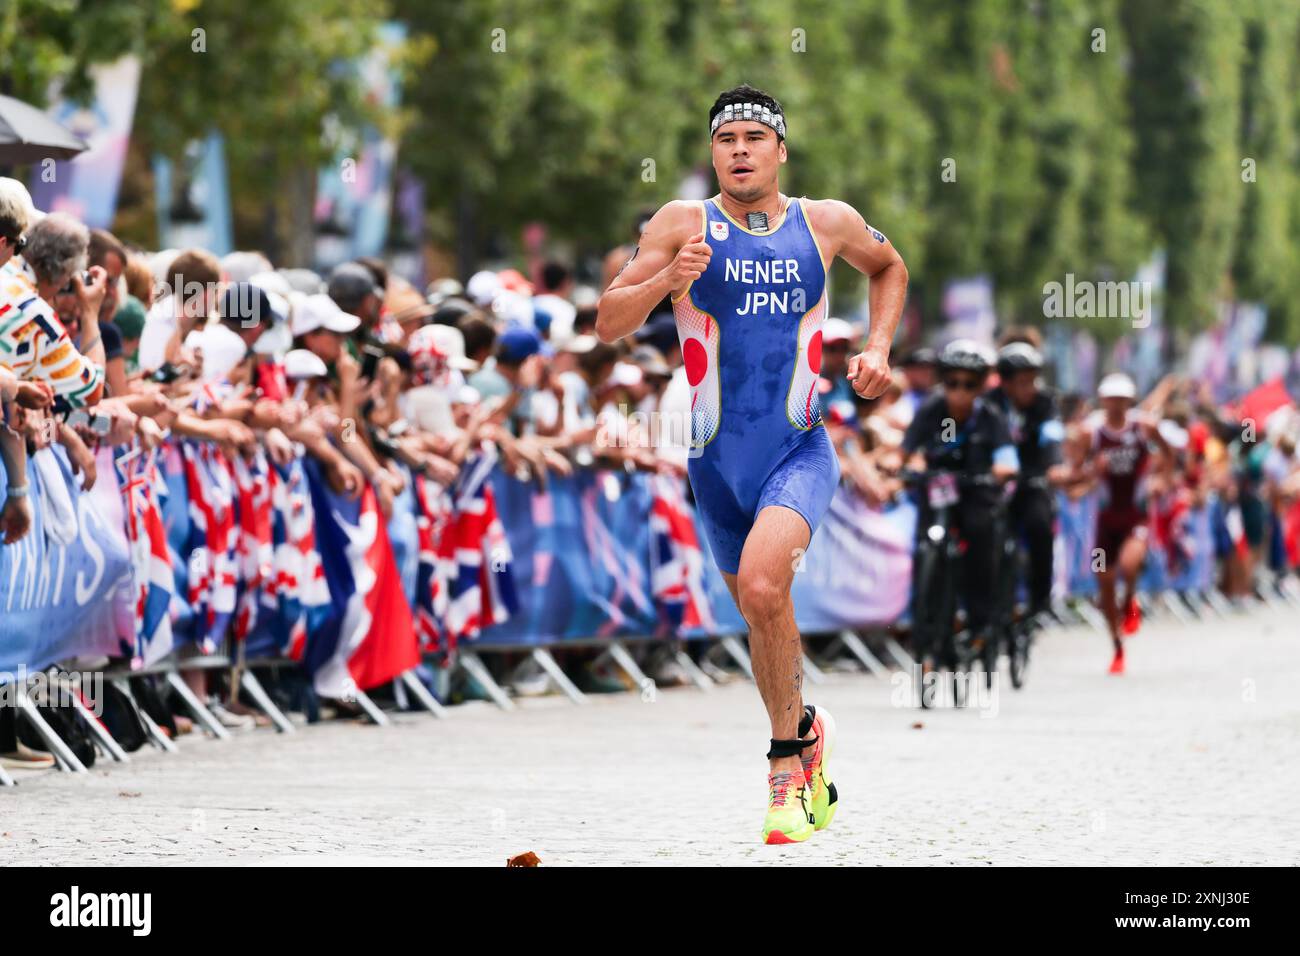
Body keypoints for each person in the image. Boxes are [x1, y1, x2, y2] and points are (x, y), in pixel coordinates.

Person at [595, 84, 908, 844]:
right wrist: (668, 280)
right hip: (714, 463)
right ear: (712, 153)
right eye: (726, 138)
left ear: (780, 151)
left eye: (754, 138)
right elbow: (609, 322)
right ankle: (805, 726)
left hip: (799, 446)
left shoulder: (823, 222)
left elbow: (889, 265)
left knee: (768, 585)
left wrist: (877, 348)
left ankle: (785, 771)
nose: (740, 150)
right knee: (762, 612)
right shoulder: (681, 224)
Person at [902, 340, 1019, 667]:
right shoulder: (930, 409)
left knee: (981, 541)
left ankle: (979, 622)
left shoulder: (991, 416)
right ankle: (925, 631)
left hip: (976, 492)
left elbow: (1007, 458)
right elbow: (908, 450)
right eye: (952, 382)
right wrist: (908, 467)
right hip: (937, 492)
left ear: (980, 386)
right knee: (926, 546)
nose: (959, 392)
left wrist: (1001, 470)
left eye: (969, 384)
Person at [1076, 372, 1169, 674]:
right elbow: (1076, 470)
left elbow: (1170, 453)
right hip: (1104, 519)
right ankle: (1116, 647)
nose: (1116, 405)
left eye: (1122, 400)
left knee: (1129, 565)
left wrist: (1161, 479)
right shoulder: (1091, 432)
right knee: (1103, 582)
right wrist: (1093, 469)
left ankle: (1130, 598)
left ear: (1130, 400)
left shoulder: (1144, 427)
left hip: (1135, 515)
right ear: (1102, 400)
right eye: (1111, 399)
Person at [986, 342, 1067, 620]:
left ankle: (1040, 599)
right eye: (1022, 382)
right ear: (1005, 382)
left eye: (1033, 380)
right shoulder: (989, 402)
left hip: (1032, 478)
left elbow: (1052, 436)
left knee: (1040, 525)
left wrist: (1055, 466)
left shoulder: (1045, 402)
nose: (1030, 388)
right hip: (992, 478)